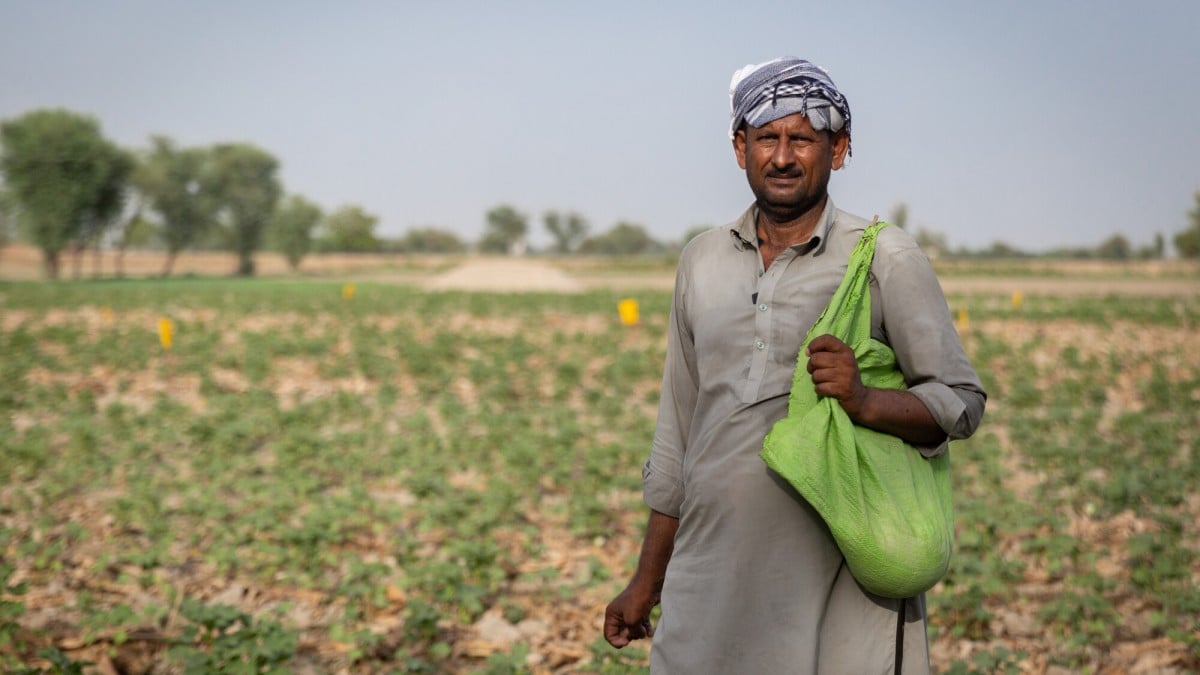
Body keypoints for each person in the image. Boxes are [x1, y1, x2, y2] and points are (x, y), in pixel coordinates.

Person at [602, 57, 986, 673]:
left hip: (838, 575)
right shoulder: (701, 260)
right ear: (739, 147)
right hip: (712, 567)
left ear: (838, 150)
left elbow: (960, 402)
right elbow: (678, 432)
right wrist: (647, 581)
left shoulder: (884, 257)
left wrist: (865, 401)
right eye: (766, 139)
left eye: (802, 139)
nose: (782, 157)